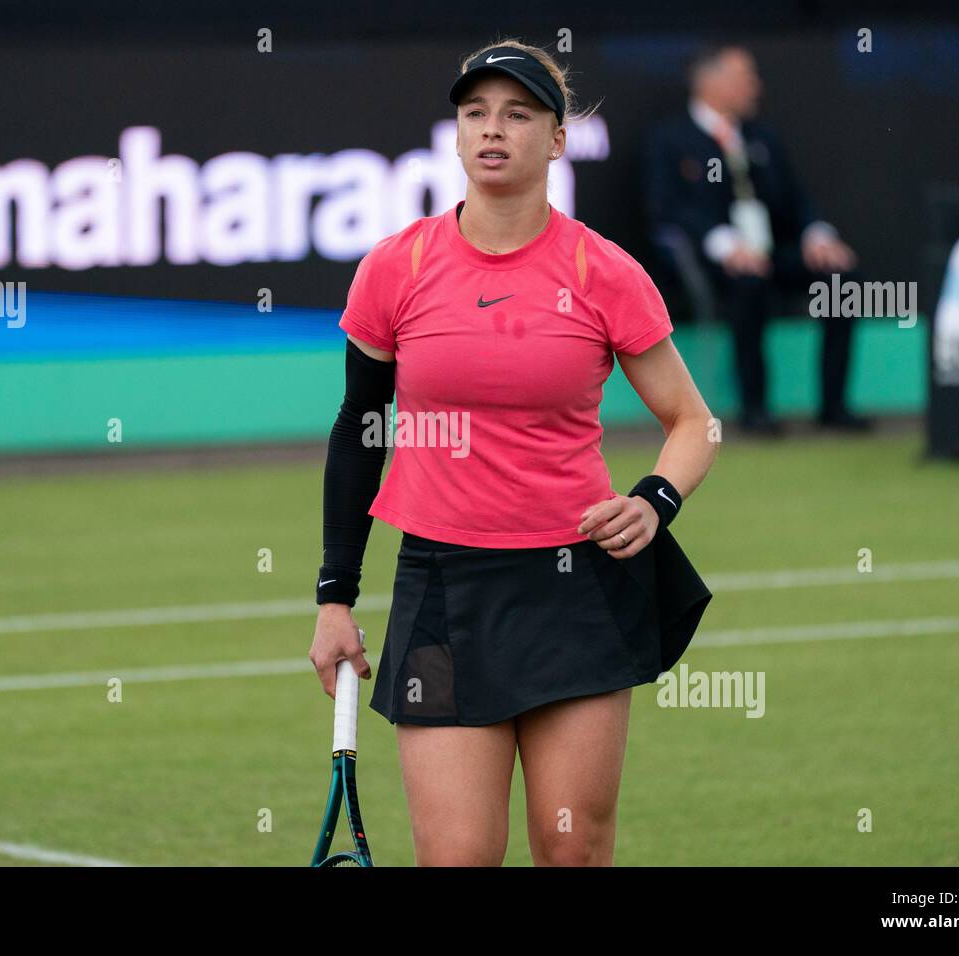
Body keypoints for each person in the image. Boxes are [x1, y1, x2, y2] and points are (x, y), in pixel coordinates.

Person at [309, 39, 715, 866]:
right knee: (458, 856)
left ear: (557, 139)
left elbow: (692, 423)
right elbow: (360, 427)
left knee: (573, 850)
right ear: (458, 134)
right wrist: (334, 597)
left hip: (576, 590)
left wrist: (655, 501)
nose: (492, 130)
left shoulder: (604, 270)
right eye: (476, 113)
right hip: (440, 590)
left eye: (518, 114)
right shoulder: (397, 266)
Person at [645, 43, 872, 436]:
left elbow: (796, 199)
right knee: (748, 284)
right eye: (744, 78)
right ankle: (756, 410)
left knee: (842, 280)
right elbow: (666, 210)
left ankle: (834, 407)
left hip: (769, 253)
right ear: (710, 83)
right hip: (711, 263)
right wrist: (722, 243)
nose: (755, 87)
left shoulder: (762, 136)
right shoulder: (670, 139)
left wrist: (817, 234)